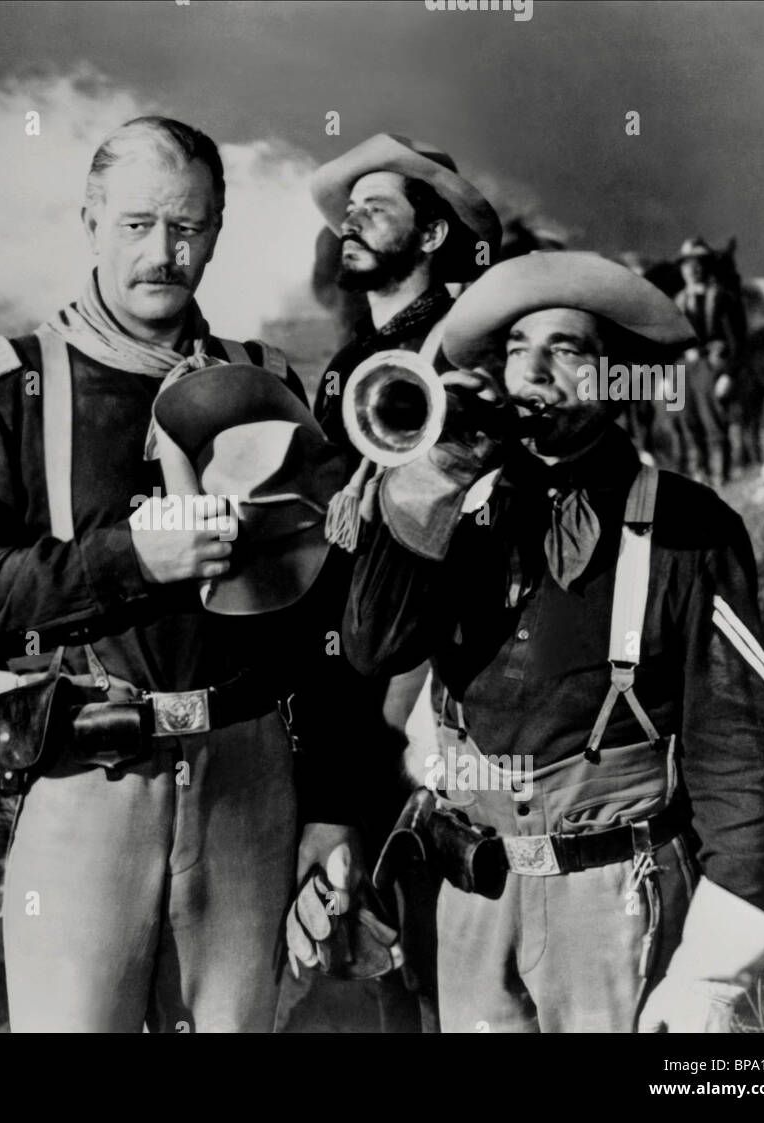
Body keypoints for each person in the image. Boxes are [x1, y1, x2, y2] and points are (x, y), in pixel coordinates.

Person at [0, 116, 354, 1032]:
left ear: (217, 233)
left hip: (247, 777)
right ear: (91, 220)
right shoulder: (7, 384)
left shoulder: (265, 383)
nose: (164, 250)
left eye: (188, 227)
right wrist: (127, 558)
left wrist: (335, 805)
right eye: (139, 222)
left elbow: (324, 622)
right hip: (84, 775)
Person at [342, 250, 764, 1033]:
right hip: (473, 890)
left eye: (567, 348)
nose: (534, 369)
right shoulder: (454, 500)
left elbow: (734, 751)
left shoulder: (693, 528)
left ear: (615, 376)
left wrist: (713, 973)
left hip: (613, 899)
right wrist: (435, 474)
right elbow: (371, 645)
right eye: (517, 347)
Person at [279, 134, 501, 1032]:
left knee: (447, 959)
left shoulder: (472, 344)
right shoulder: (345, 368)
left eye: (378, 206)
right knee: (378, 957)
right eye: (347, 208)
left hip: (439, 691)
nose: (351, 222)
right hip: (352, 681)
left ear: (436, 232)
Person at [673, 236, 744, 485]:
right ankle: (698, 475)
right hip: (684, 369)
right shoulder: (679, 301)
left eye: (698, 263)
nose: (693, 269)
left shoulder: (721, 298)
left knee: (714, 423)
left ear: (706, 267)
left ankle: (721, 478)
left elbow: (737, 342)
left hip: (711, 367)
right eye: (687, 264)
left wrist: (728, 374)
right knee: (687, 421)